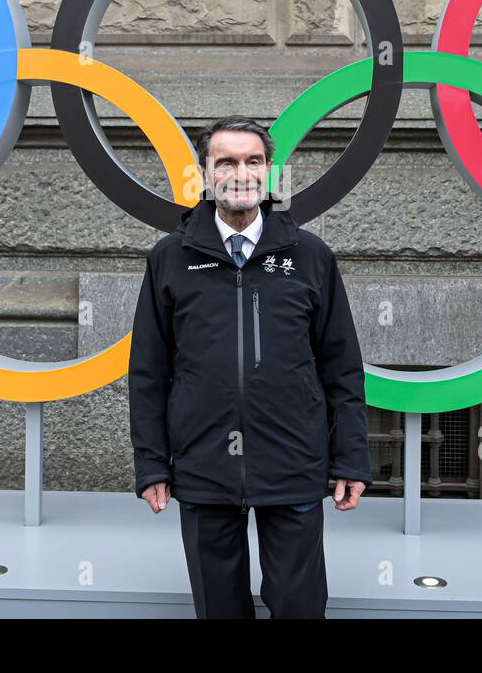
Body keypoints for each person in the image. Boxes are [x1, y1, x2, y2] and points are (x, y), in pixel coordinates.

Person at [127, 114, 372, 618]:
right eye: (227, 162)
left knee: (299, 606)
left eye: (253, 161)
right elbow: (149, 372)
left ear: (269, 171)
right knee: (219, 608)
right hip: (202, 463)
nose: (241, 173)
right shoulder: (170, 258)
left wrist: (349, 459)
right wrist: (152, 463)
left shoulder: (310, 256)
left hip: (293, 459)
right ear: (205, 174)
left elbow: (342, 367)